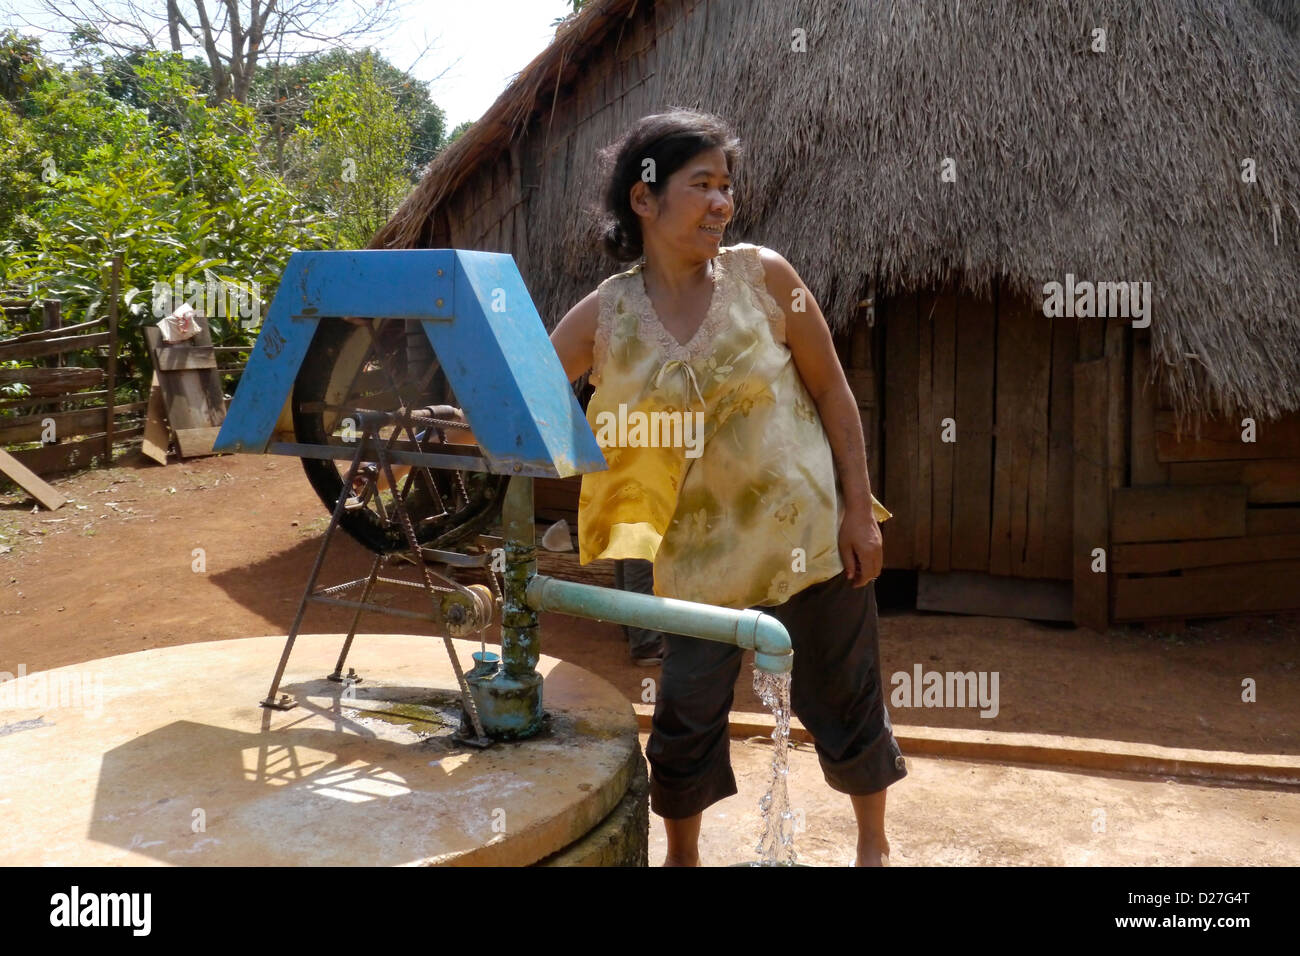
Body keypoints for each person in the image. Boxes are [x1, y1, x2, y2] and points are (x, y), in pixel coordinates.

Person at [546, 109, 907, 867]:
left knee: (845, 697)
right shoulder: (606, 313)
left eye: (726, 187)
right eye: (701, 185)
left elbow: (836, 398)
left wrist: (858, 513)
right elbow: (532, 402)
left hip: (809, 537)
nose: (722, 202)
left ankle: (873, 847)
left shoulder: (767, 278)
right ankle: (684, 858)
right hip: (695, 566)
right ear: (644, 200)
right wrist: (461, 413)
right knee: (685, 715)